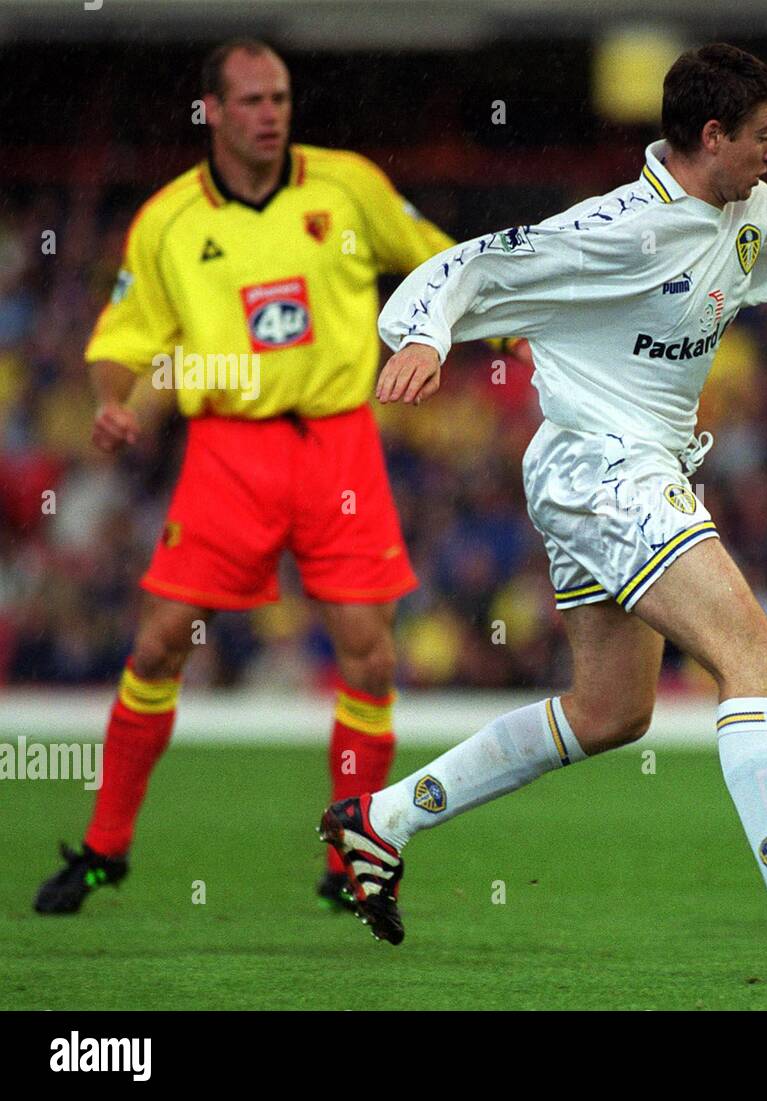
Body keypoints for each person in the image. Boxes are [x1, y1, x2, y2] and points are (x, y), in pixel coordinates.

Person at [317, 43, 767, 982]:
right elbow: (472, 266)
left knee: (611, 711)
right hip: (601, 466)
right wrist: (420, 336)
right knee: (755, 654)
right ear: (711, 135)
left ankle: (382, 821)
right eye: (765, 136)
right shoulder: (616, 229)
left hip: (623, 469)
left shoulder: (746, 208)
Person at [35, 38, 468, 915]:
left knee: (371, 656)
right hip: (227, 451)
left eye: (281, 97)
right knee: (159, 642)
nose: (272, 113)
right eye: (253, 100)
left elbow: (438, 259)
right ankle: (104, 849)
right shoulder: (167, 221)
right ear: (212, 112)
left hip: (337, 440)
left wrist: (501, 324)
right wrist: (113, 401)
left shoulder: (345, 185)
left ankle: (352, 857)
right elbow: (123, 339)